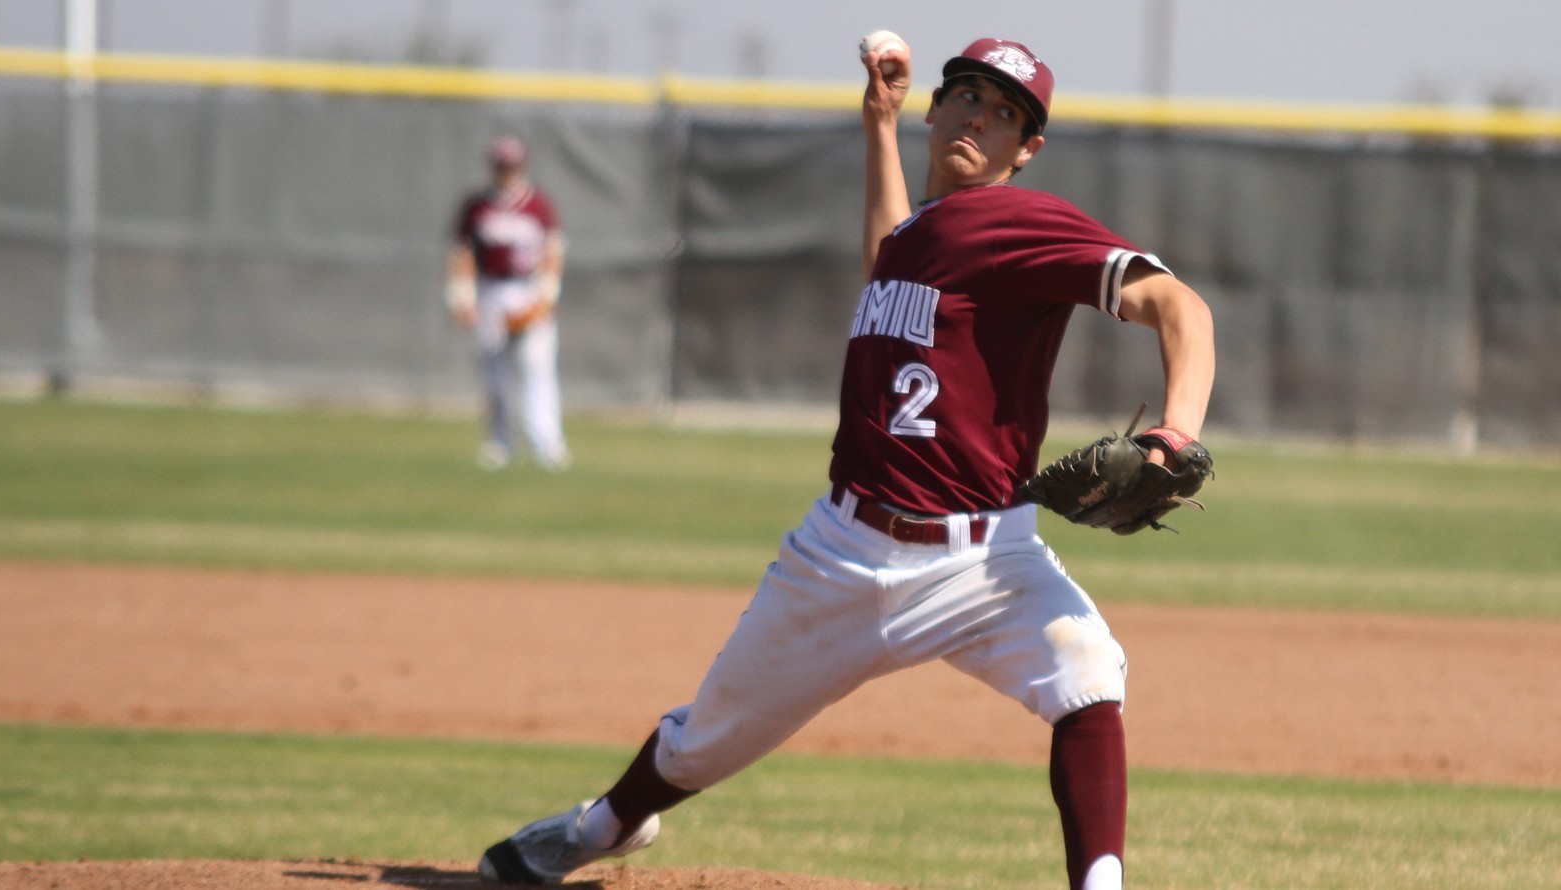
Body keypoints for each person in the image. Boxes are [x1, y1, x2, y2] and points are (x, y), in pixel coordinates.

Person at [476, 34, 1215, 890]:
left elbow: (1178, 304)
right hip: (842, 554)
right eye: (969, 96)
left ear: (1028, 148)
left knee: (1089, 672)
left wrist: (1175, 432)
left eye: (1007, 112)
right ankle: (601, 826)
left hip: (985, 560)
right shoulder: (922, 235)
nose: (982, 116)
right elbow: (887, 256)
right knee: (698, 744)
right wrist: (878, 121)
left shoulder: (1019, 220)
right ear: (938, 109)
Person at [447, 135, 571, 471]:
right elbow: (461, 254)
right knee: (495, 376)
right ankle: (500, 443)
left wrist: (546, 297)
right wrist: (462, 298)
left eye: (513, 167)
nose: (507, 173)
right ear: (493, 168)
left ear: (523, 167)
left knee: (538, 369)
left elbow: (553, 251)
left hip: (528, 289)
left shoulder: (538, 205)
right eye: (502, 167)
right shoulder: (477, 206)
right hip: (491, 292)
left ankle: (548, 443)